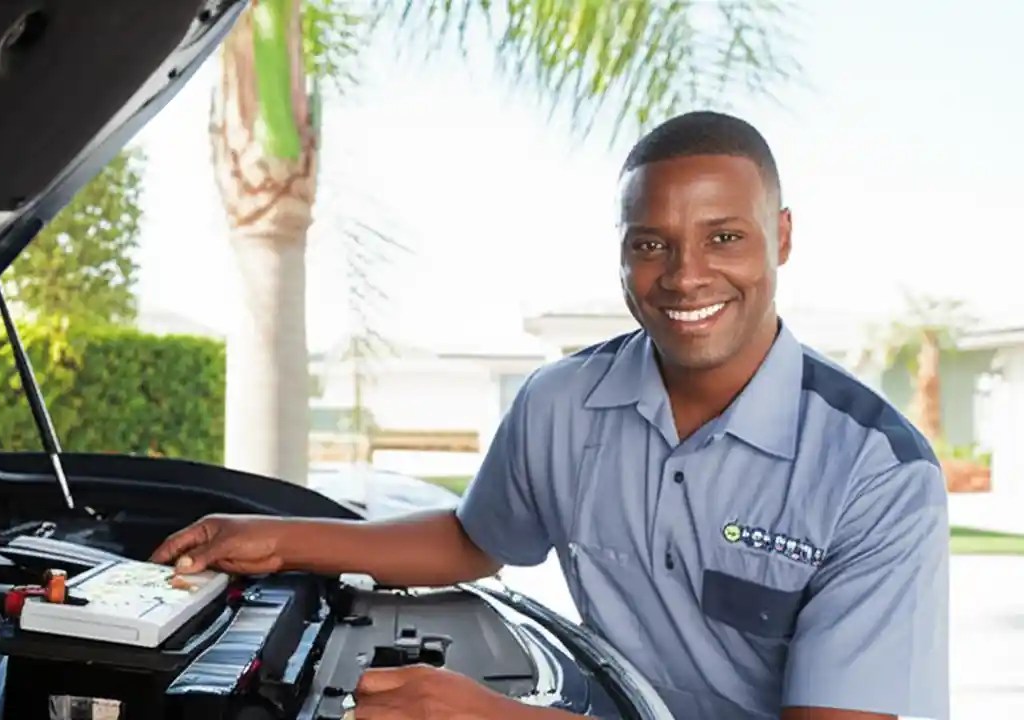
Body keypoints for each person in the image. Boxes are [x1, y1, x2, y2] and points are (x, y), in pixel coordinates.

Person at [151, 110, 950, 720]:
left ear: (780, 237)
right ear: (623, 254)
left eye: (725, 237)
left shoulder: (878, 475)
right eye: (651, 244)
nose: (685, 275)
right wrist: (278, 538)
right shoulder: (561, 404)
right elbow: (476, 539)